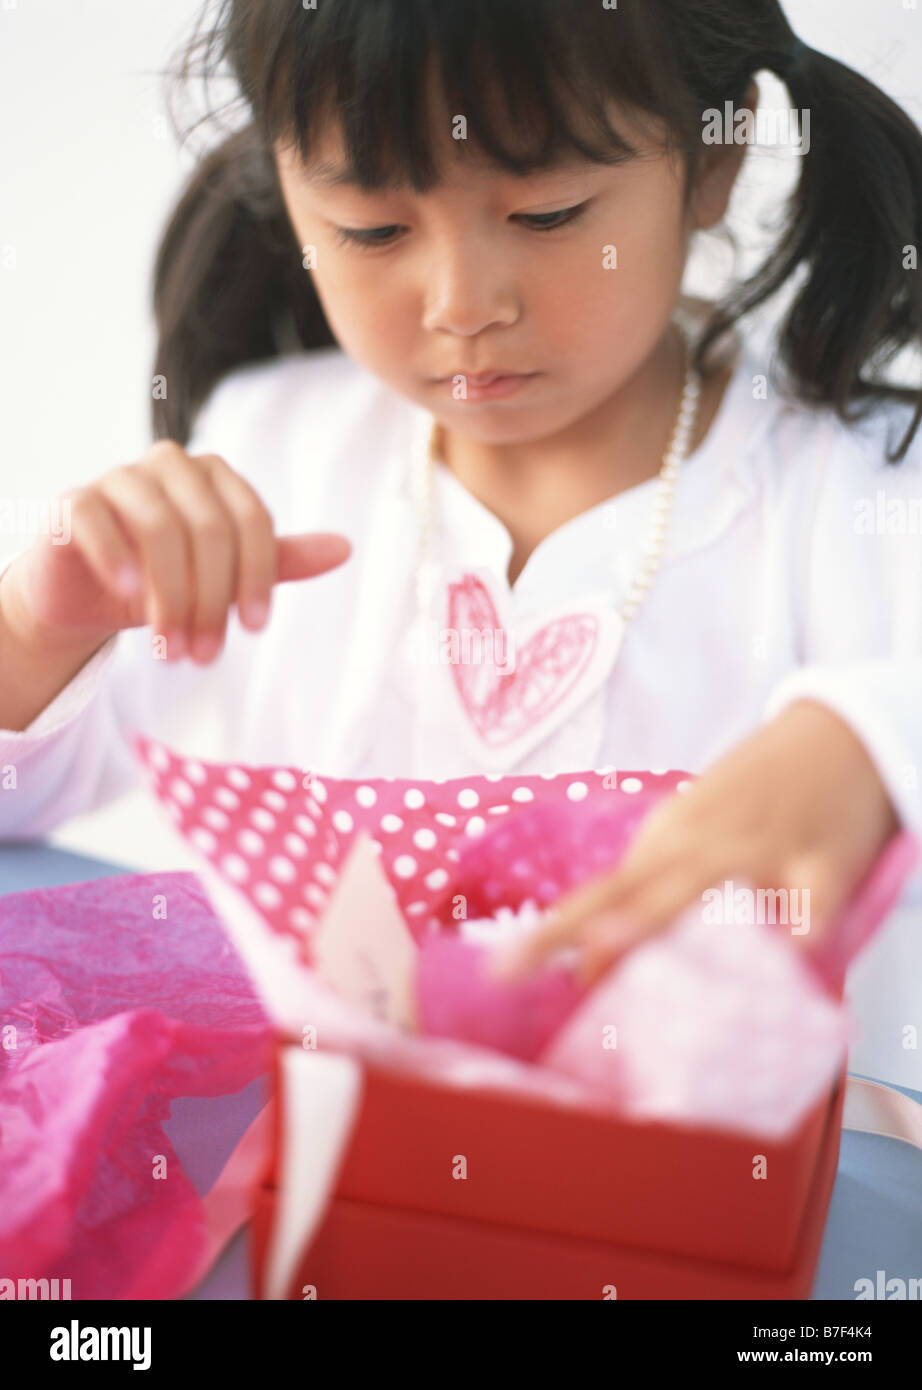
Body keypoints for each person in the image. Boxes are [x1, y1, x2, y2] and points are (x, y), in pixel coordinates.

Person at [1, 1, 921, 1079]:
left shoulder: (857, 483)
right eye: (372, 230)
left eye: (547, 214)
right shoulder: (272, 445)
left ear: (713, 159)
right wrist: (32, 629)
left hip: (733, 1200)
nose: (463, 305)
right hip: (340, 1165)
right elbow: (26, 816)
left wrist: (870, 739)